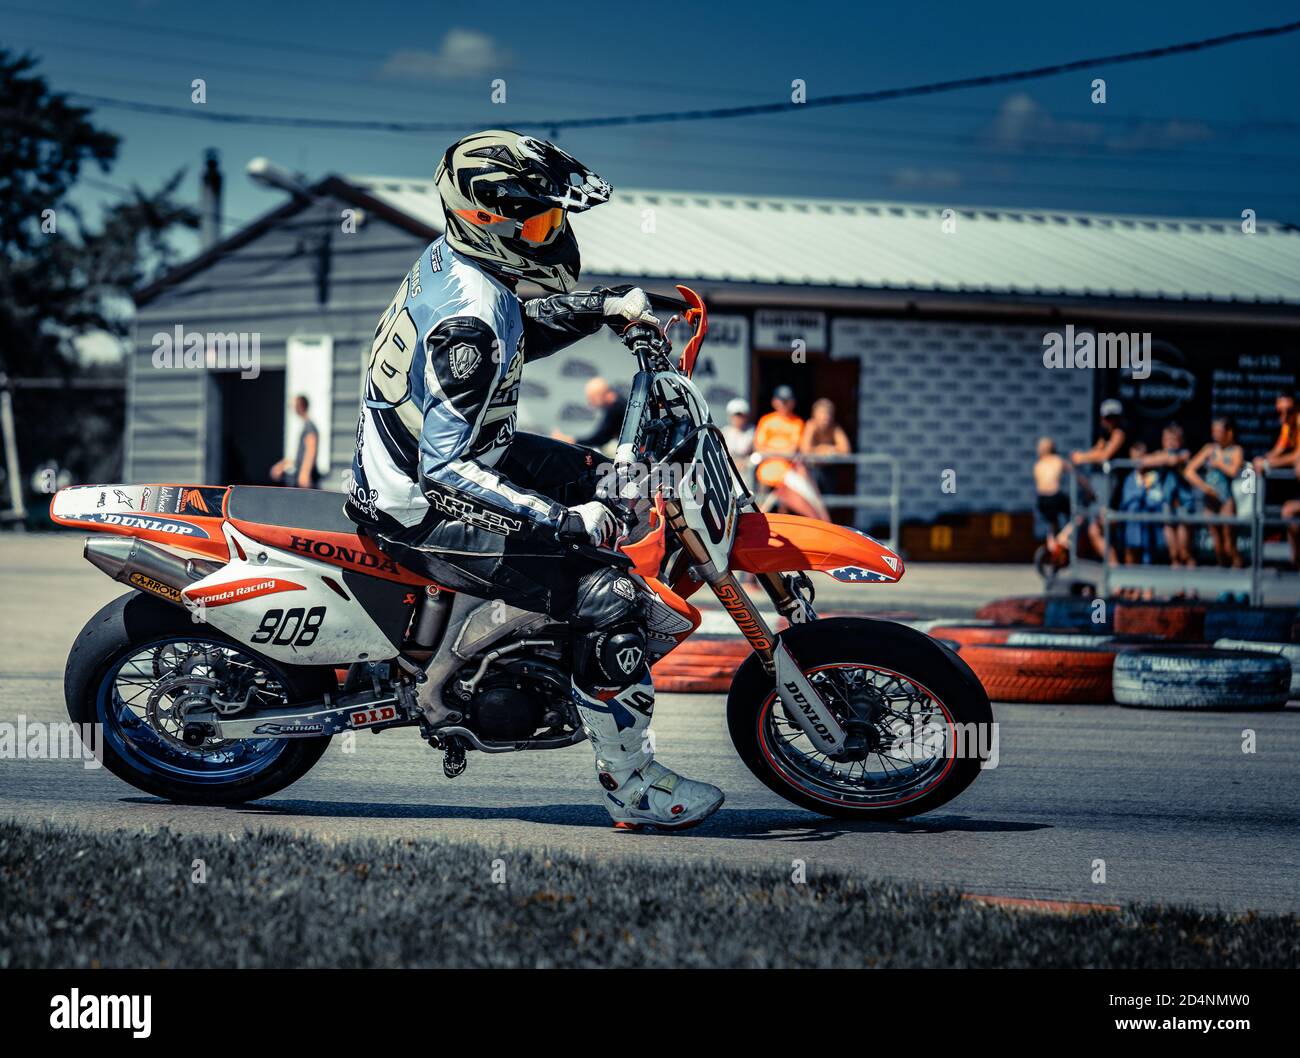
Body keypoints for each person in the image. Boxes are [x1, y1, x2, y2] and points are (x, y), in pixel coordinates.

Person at [343, 129, 723, 830]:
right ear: (490, 217)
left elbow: (516, 329)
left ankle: (539, 637)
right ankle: (631, 784)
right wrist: (560, 520)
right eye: (543, 220)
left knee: (606, 480)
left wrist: (602, 306)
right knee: (608, 595)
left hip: (448, 460)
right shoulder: (471, 319)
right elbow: (446, 473)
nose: (556, 234)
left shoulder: (457, 264)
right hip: (422, 503)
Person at [754, 385, 829, 520]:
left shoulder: (797, 422)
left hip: (787, 476)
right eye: (781, 400)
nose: (784, 404)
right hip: (766, 475)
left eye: (787, 401)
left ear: (793, 402)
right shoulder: (766, 420)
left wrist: (771, 450)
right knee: (761, 512)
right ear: (774, 402)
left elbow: (793, 449)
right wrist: (781, 451)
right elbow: (759, 447)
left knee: (785, 516)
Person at [1074, 399, 1129, 563]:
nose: (1110, 421)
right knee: (1096, 530)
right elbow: (1098, 450)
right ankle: (1114, 572)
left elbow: (1105, 455)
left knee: (1100, 529)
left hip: (1119, 491)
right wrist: (1082, 457)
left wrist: (1081, 457)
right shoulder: (1106, 434)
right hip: (1109, 489)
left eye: (1114, 417)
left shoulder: (1120, 433)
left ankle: (1115, 572)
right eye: (1108, 418)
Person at [1185, 416, 1244, 567]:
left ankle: (1239, 572)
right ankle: (1223, 574)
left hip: (1227, 500)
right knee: (1217, 546)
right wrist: (1204, 487)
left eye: (1219, 431)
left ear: (1229, 432)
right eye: (1214, 431)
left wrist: (1218, 463)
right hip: (1210, 500)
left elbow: (1233, 471)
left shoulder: (1236, 450)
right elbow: (1189, 471)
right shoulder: (1209, 449)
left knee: (1229, 544)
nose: (1215, 435)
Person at [553, 376, 626, 454]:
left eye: (591, 398)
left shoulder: (615, 407)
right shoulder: (618, 402)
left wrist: (572, 441)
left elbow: (600, 439)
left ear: (599, 395)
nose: (590, 403)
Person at [799, 397, 851, 495]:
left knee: (830, 496)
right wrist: (826, 449)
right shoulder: (811, 425)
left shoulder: (835, 428)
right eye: (822, 413)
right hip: (812, 470)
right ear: (814, 414)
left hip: (828, 470)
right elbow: (805, 450)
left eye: (828, 413)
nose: (826, 417)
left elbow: (846, 451)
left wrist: (821, 449)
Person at [269, 394, 320, 489]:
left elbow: (311, 450)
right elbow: (299, 456)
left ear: (300, 406)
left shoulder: (309, 427)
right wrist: (281, 465)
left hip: (305, 478)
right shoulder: (305, 426)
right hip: (299, 475)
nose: (291, 407)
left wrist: (305, 474)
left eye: (293, 405)